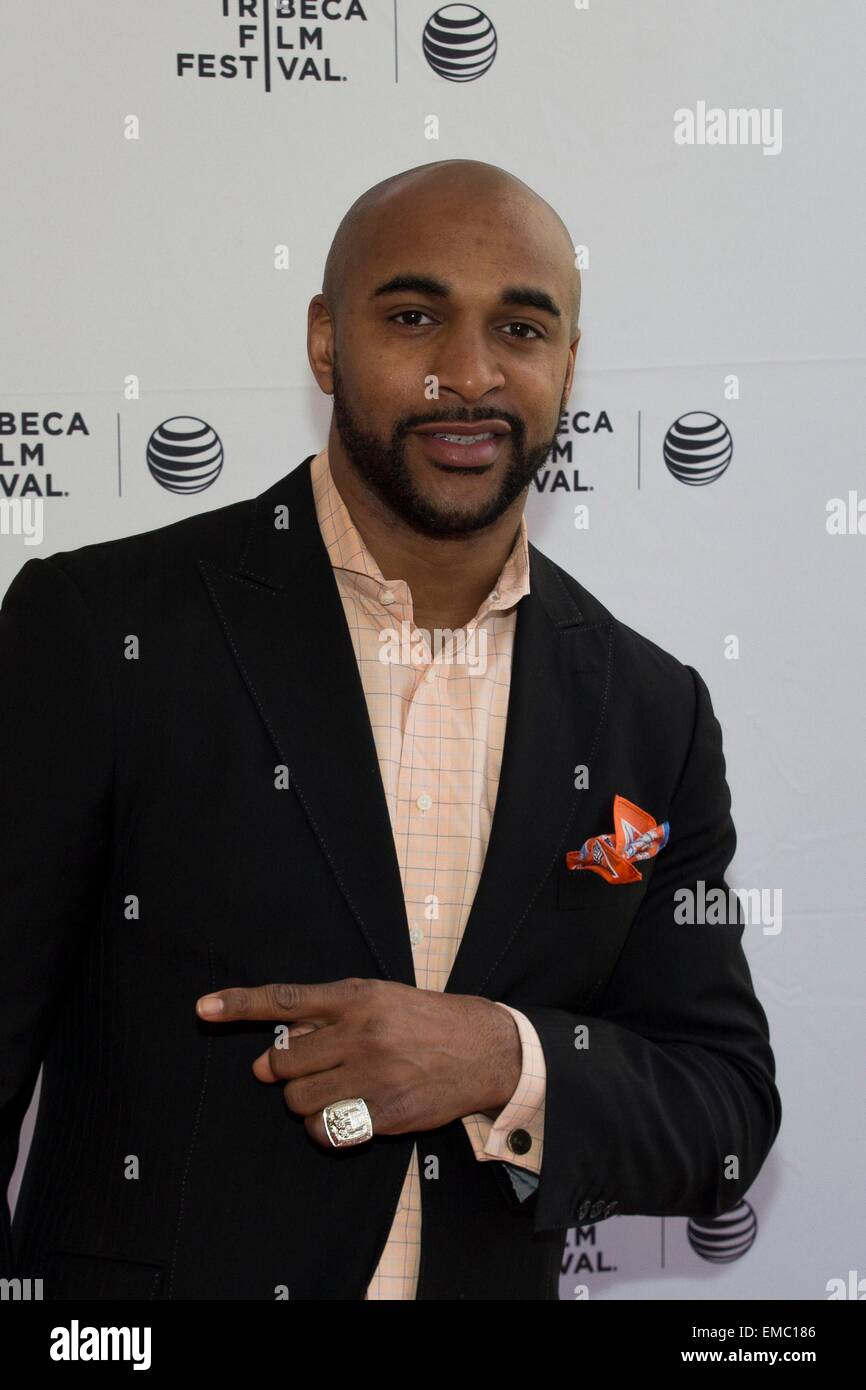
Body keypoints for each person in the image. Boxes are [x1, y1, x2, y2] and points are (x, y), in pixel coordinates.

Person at [0, 159, 781, 1301]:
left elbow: (721, 1110)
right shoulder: (103, 631)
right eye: (413, 316)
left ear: (566, 362)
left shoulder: (649, 710)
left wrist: (501, 1058)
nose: (466, 373)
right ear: (324, 342)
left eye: (518, 326)